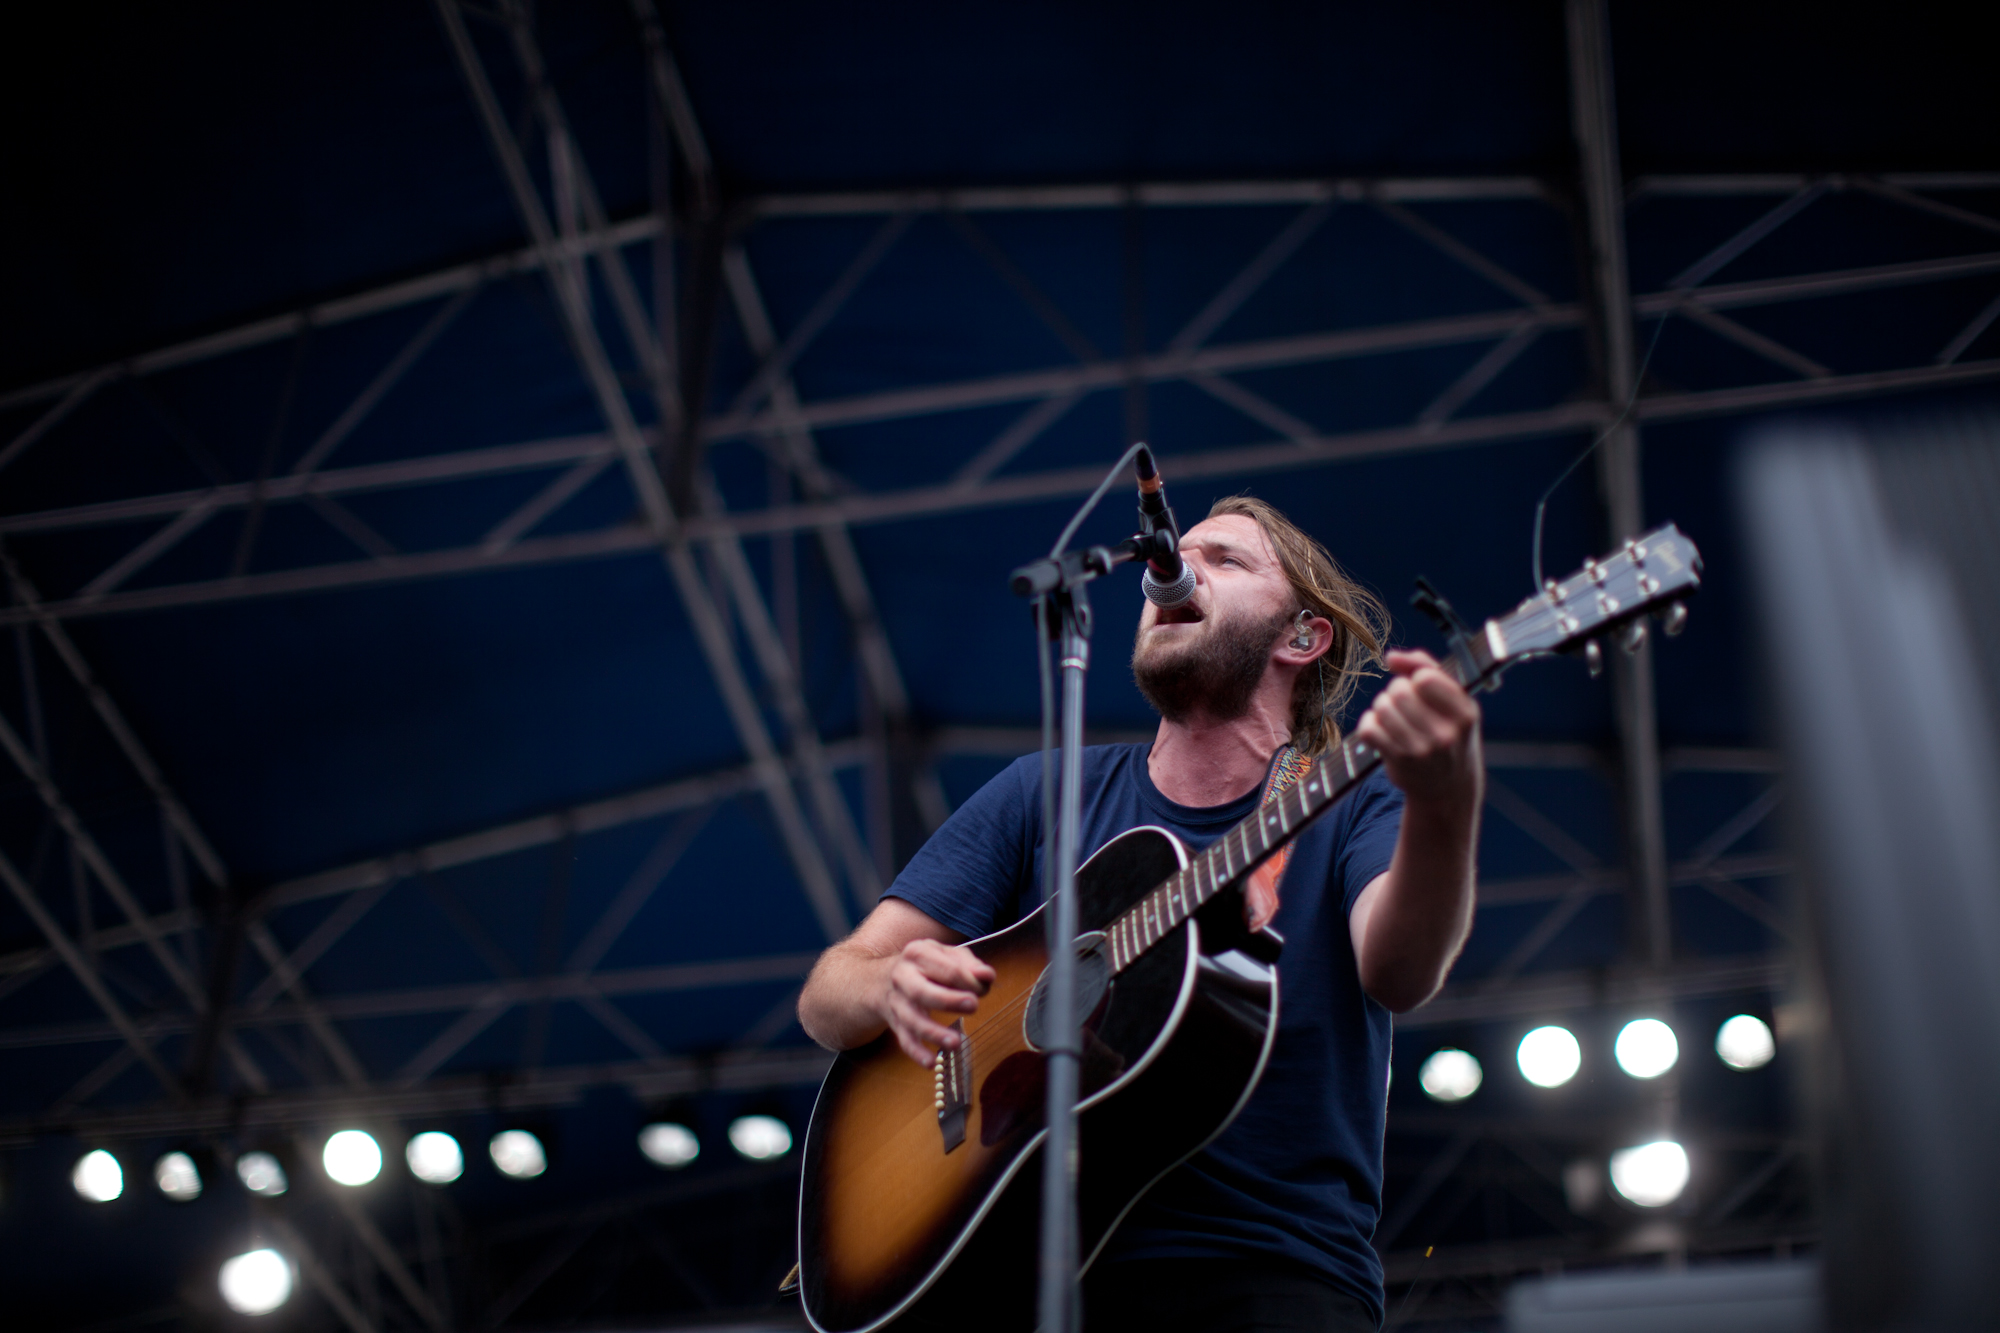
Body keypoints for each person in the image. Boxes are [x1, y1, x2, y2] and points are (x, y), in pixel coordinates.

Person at [799, 494, 1483, 1332]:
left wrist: (1447, 802)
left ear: (1302, 637)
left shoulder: (1347, 797)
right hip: (1036, 1279)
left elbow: (1401, 972)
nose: (1176, 571)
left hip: (1276, 1276)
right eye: (1174, 553)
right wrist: (887, 985)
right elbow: (828, 995)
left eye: (1226, 560)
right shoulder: (1041, 791)